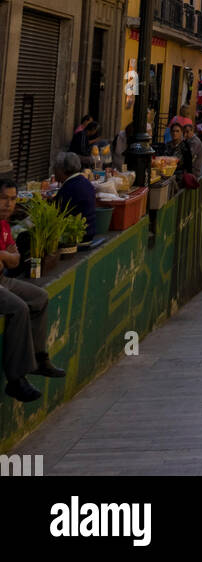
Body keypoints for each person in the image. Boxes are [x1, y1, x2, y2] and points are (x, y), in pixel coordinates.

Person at [0, 178, 66, 402]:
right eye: (3, 199)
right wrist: (6, 256)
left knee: (39, 297)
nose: (8, 204)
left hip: (3, 280)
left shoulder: (4, 225)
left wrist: (4, 256)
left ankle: (39, 359)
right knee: (18, 309)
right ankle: (16, 379)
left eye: (12, 199)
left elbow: (15, 261)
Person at [52, 153, 97, 243]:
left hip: (78, 237)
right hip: (89, 233)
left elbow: (54, 213)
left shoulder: (69, 188)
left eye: (55, 168)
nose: (54, 172)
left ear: (62, 170)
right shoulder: (85, 182)